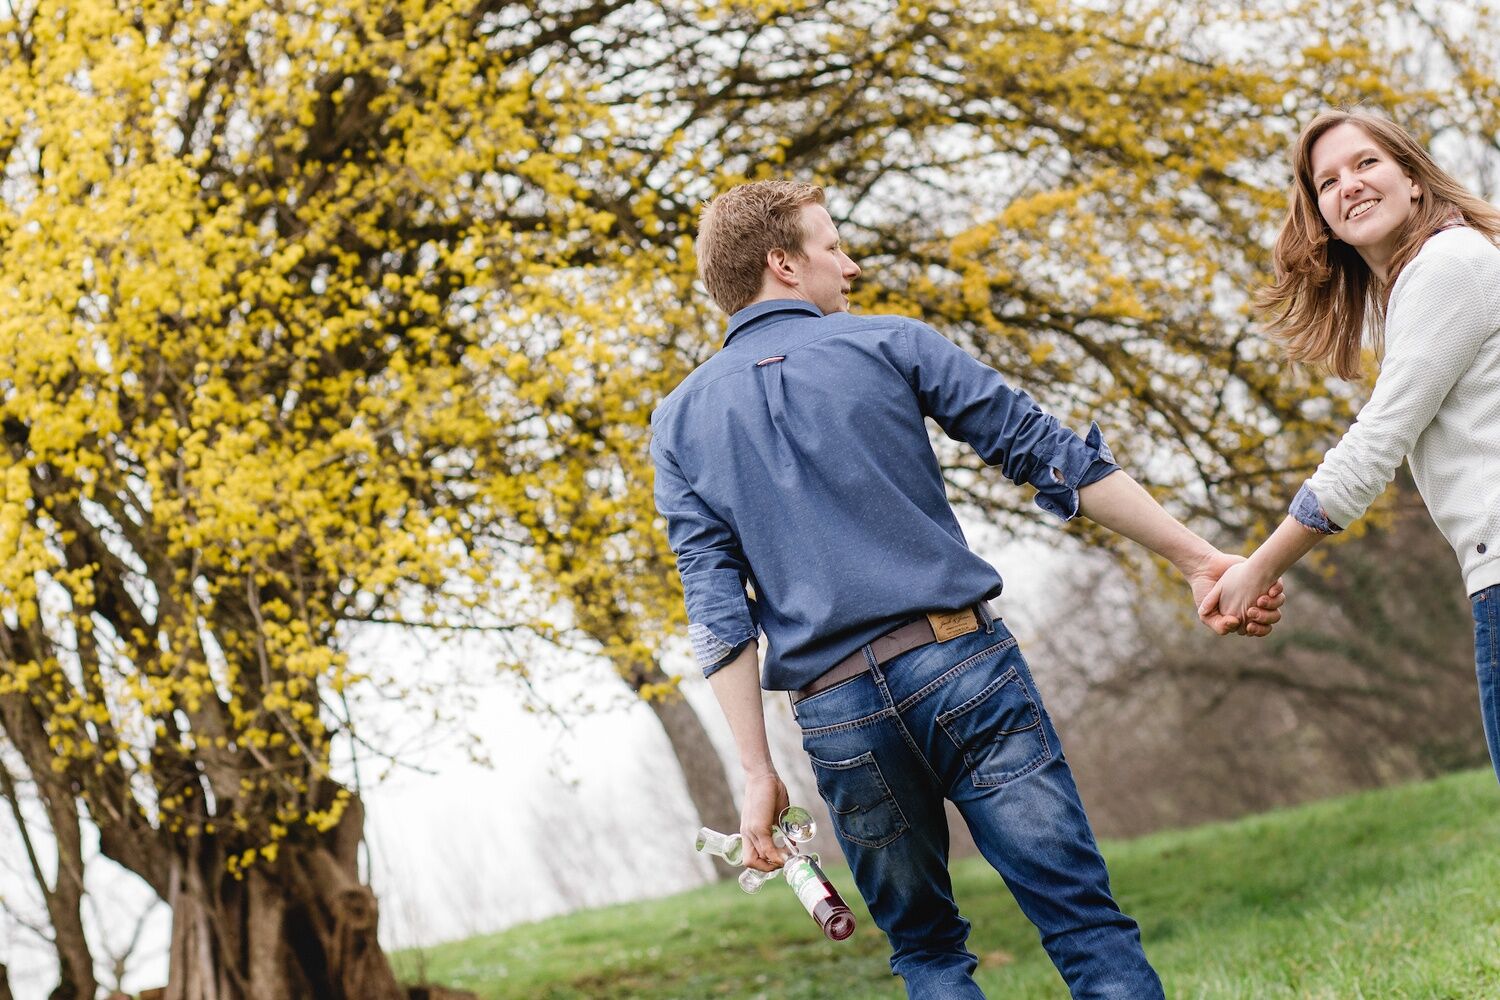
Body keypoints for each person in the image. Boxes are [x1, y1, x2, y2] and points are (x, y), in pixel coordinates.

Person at [651, 180, 1284, 999]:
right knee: (1081, 921)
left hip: (838, 717)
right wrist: (1196, 558)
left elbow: (716, 611)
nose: (851, 264)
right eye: (833, 246)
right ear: (784, 263)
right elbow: (1042, 449)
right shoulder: (889, 343)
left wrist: (757, 771)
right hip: (960, 667)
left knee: (926, 955)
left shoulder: (678, 422)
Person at [1201, 109, 1500, 781]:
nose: (1350, 185)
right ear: (1323, 217)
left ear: (1413, 178)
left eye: (1366, 163)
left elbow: (1374, 447)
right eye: (1328, 181)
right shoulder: (1438, 273)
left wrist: (1259, 569)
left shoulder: (1447, 267)